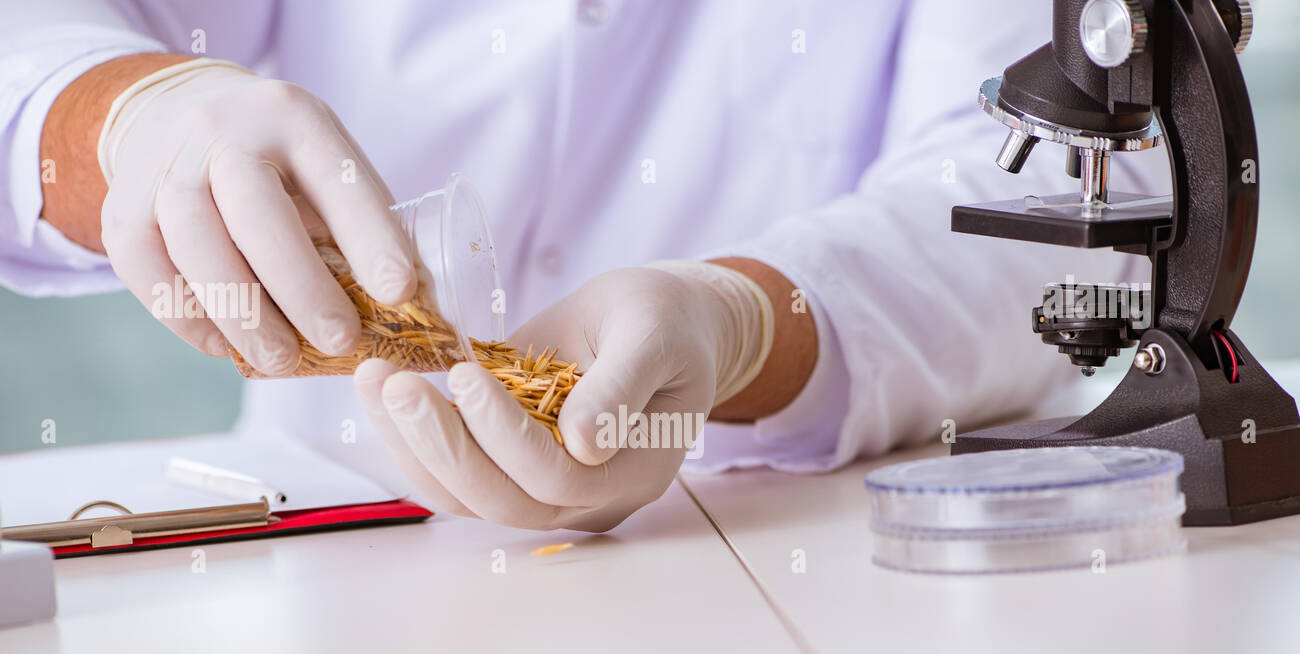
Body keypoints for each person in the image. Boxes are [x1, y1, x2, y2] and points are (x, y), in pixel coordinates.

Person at [0, 0, 1166, 530]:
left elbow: (1061, 202)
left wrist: (742, 322)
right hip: (328, 534)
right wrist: (131, 116)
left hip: (794, 548)